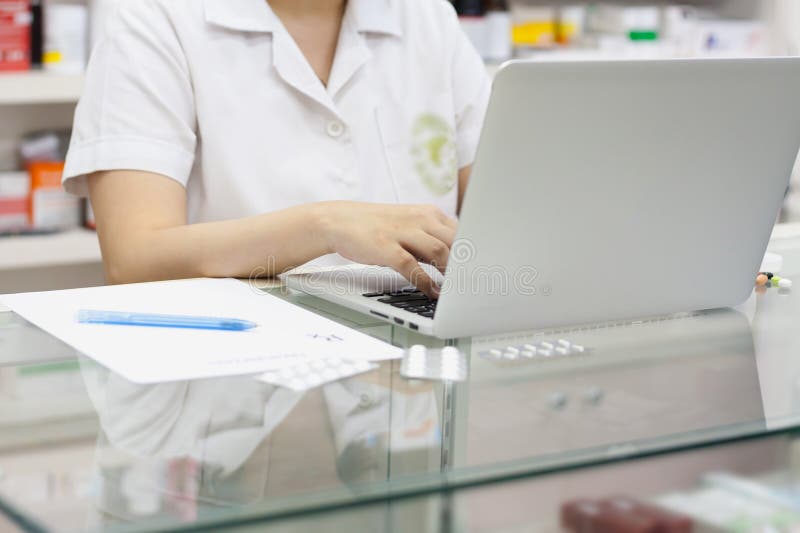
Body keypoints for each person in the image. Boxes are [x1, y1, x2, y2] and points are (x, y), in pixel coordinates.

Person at [62, 0, 491, 298]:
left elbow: (508, 210)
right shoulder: (153, 19)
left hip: (411, 376)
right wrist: (325, 227)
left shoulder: (429, 20)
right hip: (227, 382)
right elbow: (134, 260)